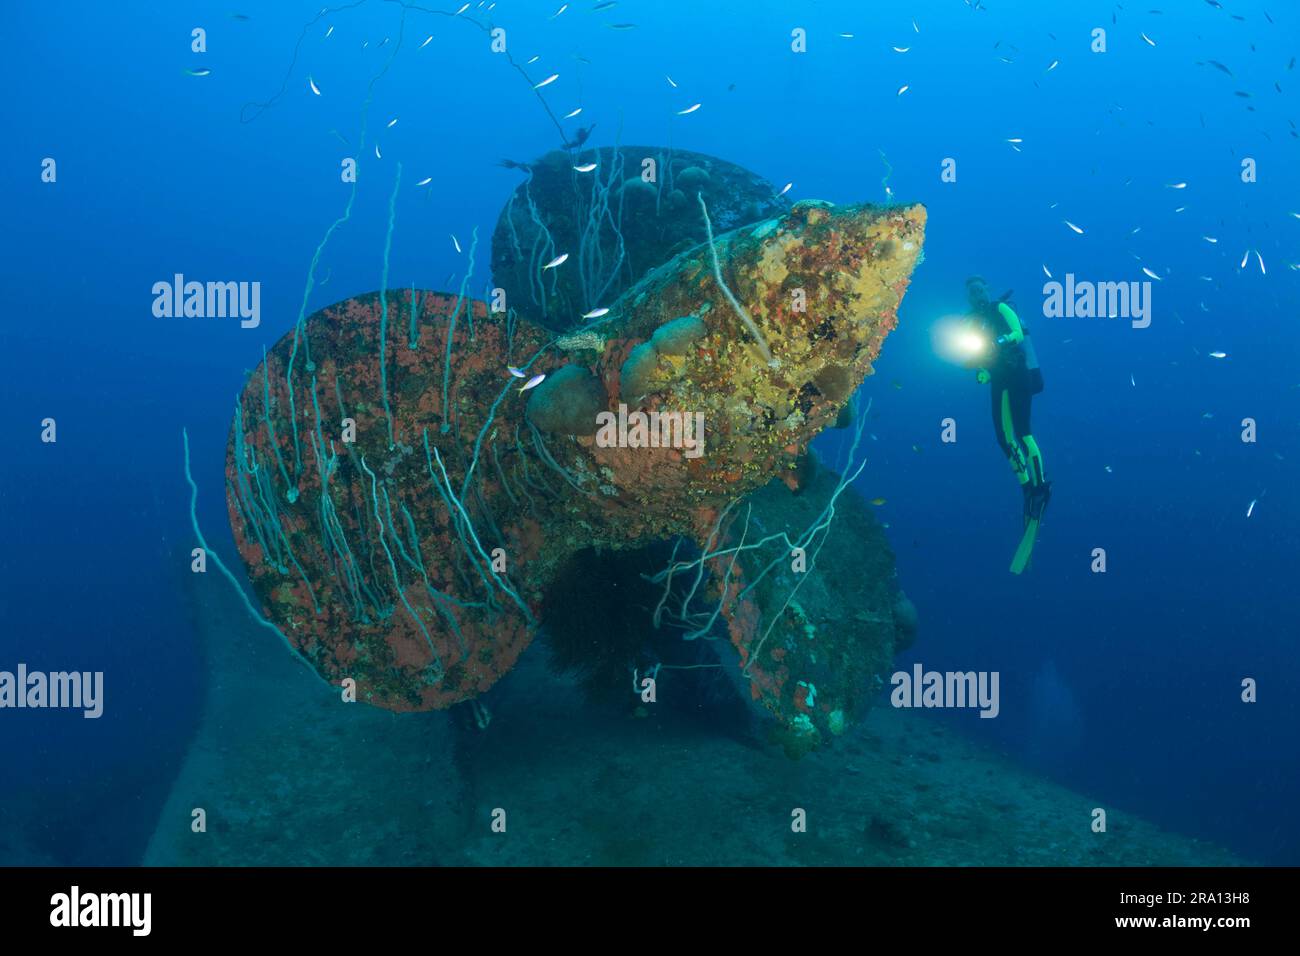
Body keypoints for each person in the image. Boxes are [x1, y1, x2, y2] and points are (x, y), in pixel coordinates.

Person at [964, 276, 1051, 574]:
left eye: (980, 289)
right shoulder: (971, 321)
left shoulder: (1001, 308)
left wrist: (997, 342)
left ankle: (1041, 486)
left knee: (1024, 432)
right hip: (998, 380)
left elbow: (1016, 333)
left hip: (1018, 375)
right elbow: (975, 358)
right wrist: (979, 371)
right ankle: (1026, 487)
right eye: (972, 292)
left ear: (986, 290)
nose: (977, 295)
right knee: (1003, 438)